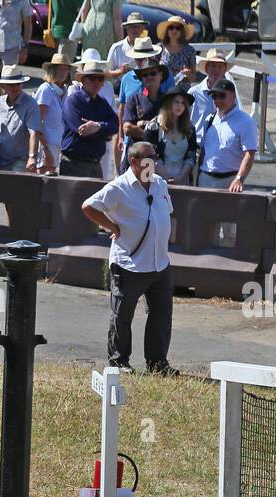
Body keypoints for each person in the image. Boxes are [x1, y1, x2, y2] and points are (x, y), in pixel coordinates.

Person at [82, 140, 175, 375]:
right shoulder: (118, 188)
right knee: (122, 316)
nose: (153, 162)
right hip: (129, 264)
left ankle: (157, 363)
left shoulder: (160, 184)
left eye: (154, 157)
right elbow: (89, 206)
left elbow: (165, 213)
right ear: (133, 161)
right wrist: (112, 226)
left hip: (159, 264)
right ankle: (119, 361)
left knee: (161, 316)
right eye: (147, 158)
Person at [59, 55, 116, 178]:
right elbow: (80, 129)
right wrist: (105, 132)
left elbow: (115, 124)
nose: (96, 82)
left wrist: (98, 126)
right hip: (74, 163)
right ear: (83, 80)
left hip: (95, 164)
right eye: (92, 78)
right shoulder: (73, 100)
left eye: (100, 79)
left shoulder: (102, 102)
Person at [197, 78, 256, 192]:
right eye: (214, 96)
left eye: (222, 95)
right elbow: (204, 150)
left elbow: (249, 154)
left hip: (230, 181)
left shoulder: (246, 121)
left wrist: (239, 179)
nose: (218, 100)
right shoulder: (209, 119)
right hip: (205, 179)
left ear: (233, 96)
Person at [141, 83, 195, 185]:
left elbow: (191, 155)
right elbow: (151, 155)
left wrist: (181, 177)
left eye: (183, 103)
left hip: (182, 181)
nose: (180, 106)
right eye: (176, 102)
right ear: (168, 103)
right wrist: (165, 178)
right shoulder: (153, 126)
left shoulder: (190, 128)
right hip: (157, 180)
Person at [0, 65, 37, 171]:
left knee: (16, 185)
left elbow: (34, 132)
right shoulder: (0, 102)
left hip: (21, 159)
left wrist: (32, 157)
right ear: (3, 86)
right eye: (11, 85)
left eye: (18, 84)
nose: (16, 87)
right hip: (2, 159)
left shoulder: (30, 104)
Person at [30, 50, 70, 174]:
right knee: (44, 182)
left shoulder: (65, 91)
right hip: (47, 145)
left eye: (66, 69)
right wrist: (45, 149)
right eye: (60, 69)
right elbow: (38, 122)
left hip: (59, 144)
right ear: (53, 70)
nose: (63, 72)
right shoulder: (46, 90)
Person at [0, 0, 32, 95]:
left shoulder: (23, 2)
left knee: (9, 81)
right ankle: (3, 100)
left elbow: (28, 24)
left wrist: (24, 47)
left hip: (12, 45)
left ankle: (10, 103)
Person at [121, 52, 163, 146]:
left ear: (161, 75)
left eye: (153, 73)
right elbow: (127, 128)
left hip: (162, 154)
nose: (149, 77)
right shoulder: (133, 99)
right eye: (145, 75)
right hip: (137, 152)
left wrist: (141, 124)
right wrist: (150, 135)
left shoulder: (168, 101)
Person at [189, 47, 228, 131]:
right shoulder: (194, 93)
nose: (216, 70)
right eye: (213, 66)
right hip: (198, 143)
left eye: (220, 66)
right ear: (206, 68)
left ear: (225, 70)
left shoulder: (230, 94)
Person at [77, 0, 121, 68]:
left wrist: (83, 30)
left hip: (89, 26)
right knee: (104, 61)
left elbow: (84, 11)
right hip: (106, 28)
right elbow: (116, 18)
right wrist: (120, 37)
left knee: (88, 57)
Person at [105, 10, 146, 83]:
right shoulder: (117, 48)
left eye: (138, 26)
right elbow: (106, 74)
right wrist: (120, 71)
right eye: (132, 27)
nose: (135, 29)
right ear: (127, 29)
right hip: (119, 88)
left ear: (142, 29)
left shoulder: (148, 47)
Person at [156, 16, 195, 84]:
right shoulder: (159, 48)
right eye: (171, 28)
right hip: (163, 90)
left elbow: (193, 78)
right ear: (167, 30)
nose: (174, 30)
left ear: (182, 31)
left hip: (182, 90)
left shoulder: (189, 50)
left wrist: (188, 74)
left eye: (178, 28)